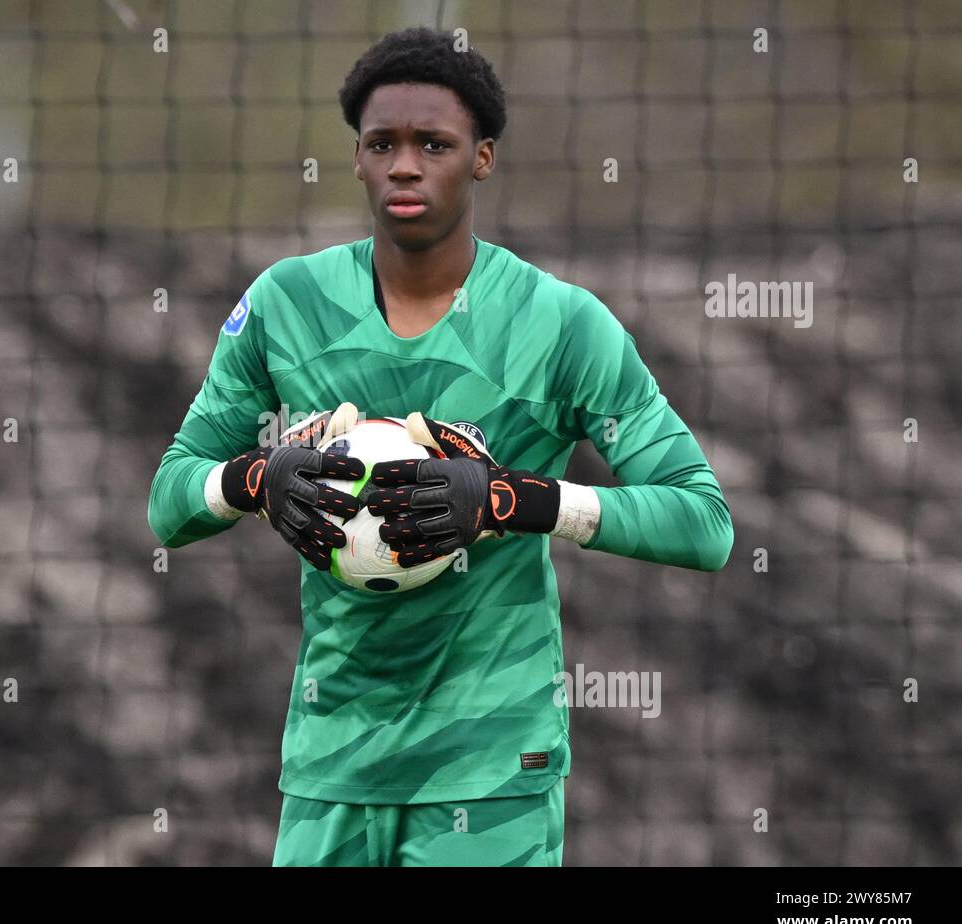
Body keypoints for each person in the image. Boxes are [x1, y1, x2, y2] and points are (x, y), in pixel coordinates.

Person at [148, 26, 733, 866]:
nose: (405, 166)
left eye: (435, 144)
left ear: (483, 158)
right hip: (331, 764)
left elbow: (703, 522)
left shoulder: (562, 325)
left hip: (490, 768)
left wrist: (510, 500)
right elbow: (169, 501)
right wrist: (253, 480)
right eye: (381, 144)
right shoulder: (286, 305)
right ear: (355, 159)